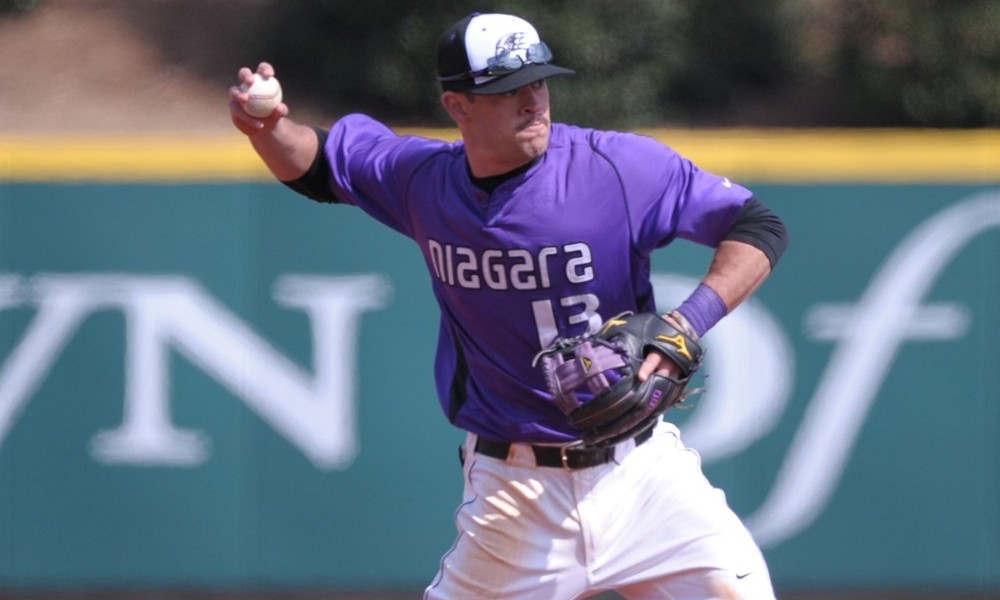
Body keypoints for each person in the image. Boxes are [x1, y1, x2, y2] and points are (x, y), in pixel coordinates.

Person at [230, 12, 788, 600]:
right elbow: (318, 164)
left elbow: (756, 225)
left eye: (538, 82)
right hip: (514, 495)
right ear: (458, 106)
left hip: (646, 478)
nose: (531, 101)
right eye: (506, 89)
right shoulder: (423, 181)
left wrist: (686, 323)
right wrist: (265, 127)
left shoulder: (618, 168)